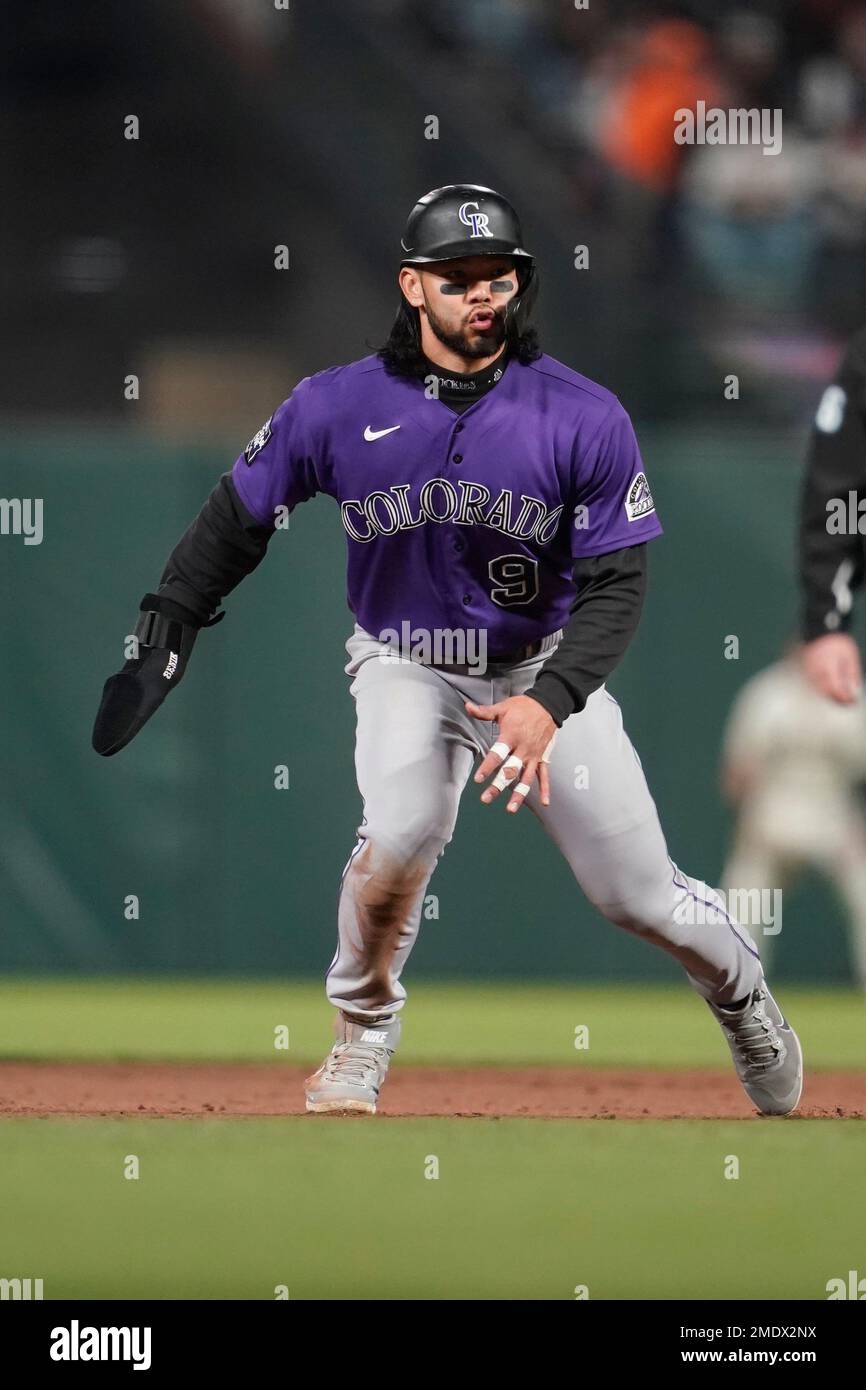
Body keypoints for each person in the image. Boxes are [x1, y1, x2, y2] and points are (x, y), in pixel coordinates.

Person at [93, 184, 802, 1117]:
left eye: (497, 275)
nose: (481, 293)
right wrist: (169, 622)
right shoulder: (335, 405)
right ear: (412, 286)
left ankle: (744, 999)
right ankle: (360, 1040)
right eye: (457, 277)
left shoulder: (584, 417)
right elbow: (238, 516)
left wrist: (549, 702)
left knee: (636, 894)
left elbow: (618, 587)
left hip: (542, 664)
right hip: (405, 659)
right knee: (397, 835)